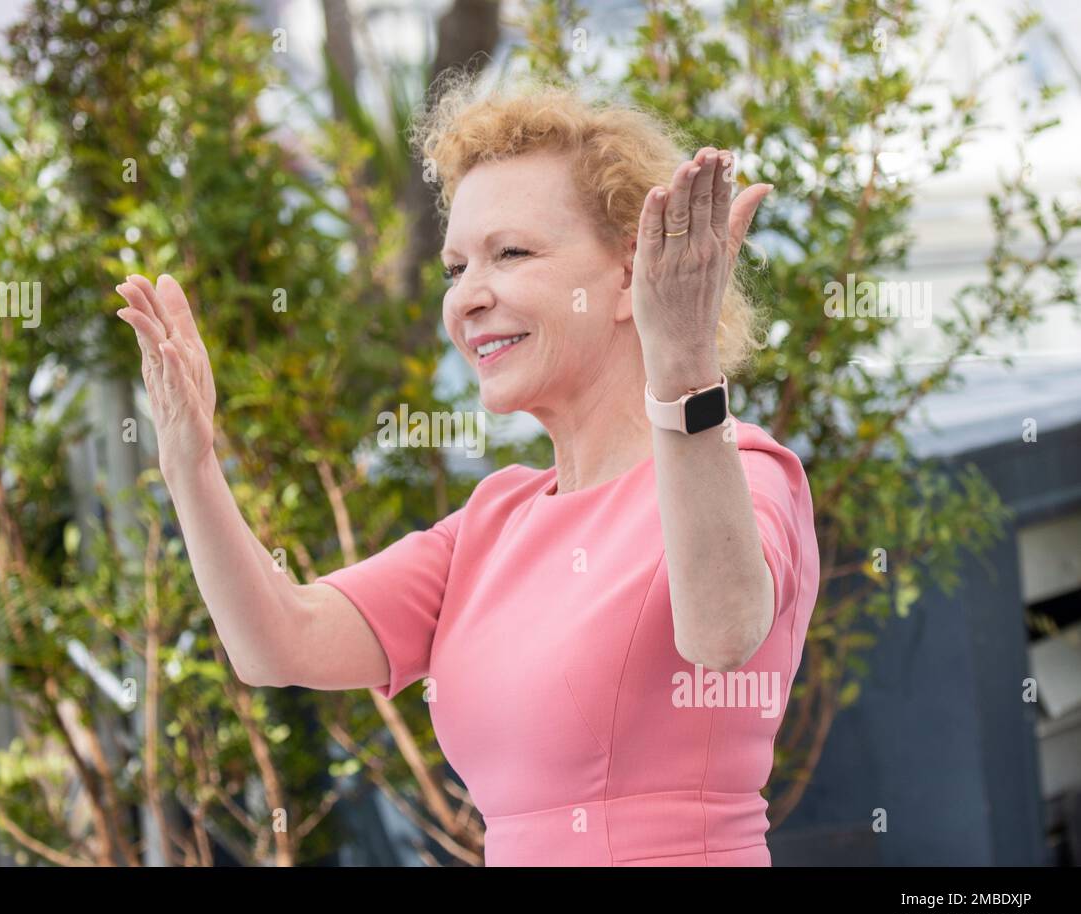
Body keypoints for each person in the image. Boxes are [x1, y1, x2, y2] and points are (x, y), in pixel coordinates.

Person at [114, 73, 820, 866]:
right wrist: (191, 463)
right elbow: (277, 640)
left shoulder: (742, 467)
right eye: (455, 268)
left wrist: (684, 363)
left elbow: (723, 634)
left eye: (510, 253)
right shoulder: (493, 519)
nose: (467, 299)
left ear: (631, 276)